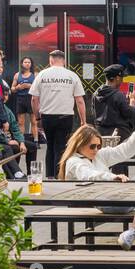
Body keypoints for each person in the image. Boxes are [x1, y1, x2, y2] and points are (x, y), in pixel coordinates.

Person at [59, 123, 135, 248]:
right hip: (108, 203)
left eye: (98, 146)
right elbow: (89, 175)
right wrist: (112, 177)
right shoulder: (74, 162)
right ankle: (134, 230)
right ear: (80, 144)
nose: (96, 149)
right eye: (92, 146)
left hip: (117, 196)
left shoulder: (98, 155)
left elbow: (122, 151)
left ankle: (134, 231)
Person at [31, 50, 87, 178]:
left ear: (50, 61)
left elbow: (34, 99)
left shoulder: (42, 75)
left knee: (49, 146)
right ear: (64, 61)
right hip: (65, 117)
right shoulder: (72, 76)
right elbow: (79, 100)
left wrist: (37, 117)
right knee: (61, 146)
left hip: (47, 117)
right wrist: (83, 121)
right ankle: (59, 175)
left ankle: (50, 175)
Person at [93, 65, 135, 140]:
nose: (122, 81)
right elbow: (129, 113)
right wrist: (132, 100)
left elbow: (95, 113)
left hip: (101, 134)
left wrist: (125, 100)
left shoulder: (95, 94)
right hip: (118, 135)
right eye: (122, 78)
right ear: (117, 78)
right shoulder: (118, 95)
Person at [9, 57, 37, 138]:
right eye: (25, 62)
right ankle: (22, 141)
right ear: (22, 64)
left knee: (34, 122)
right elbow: (12, 89)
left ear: (31, 64)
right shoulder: (17, 75)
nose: (27, 63)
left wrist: (29, 86)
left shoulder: (35, 74)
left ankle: (36, 140)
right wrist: (17, 87)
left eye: (29, 62)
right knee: (21, 122)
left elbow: (40, 88)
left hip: (31, 99)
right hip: (20, 99)